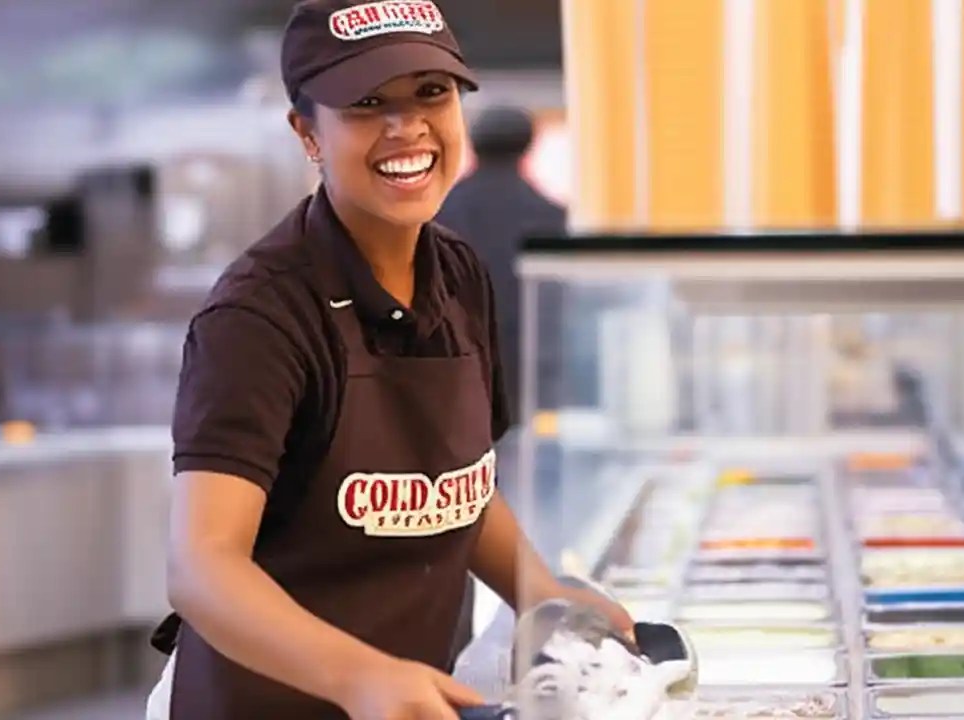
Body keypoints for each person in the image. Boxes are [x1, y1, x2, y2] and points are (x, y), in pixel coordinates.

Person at [146, 1, 631, 719]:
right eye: (367, 103)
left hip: (408, 694)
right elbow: (202, 566)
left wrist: (539, 591)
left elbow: (458, 482)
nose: (408, 128)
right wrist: (355, 677)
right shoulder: (260, 316)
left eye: (431, 92)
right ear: (307, 132)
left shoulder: (458, 271)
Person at [436, 106, 566, 412]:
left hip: (456, 366)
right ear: (528, 147)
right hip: (528, 366)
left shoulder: (439, 214)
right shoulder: (549, 216)